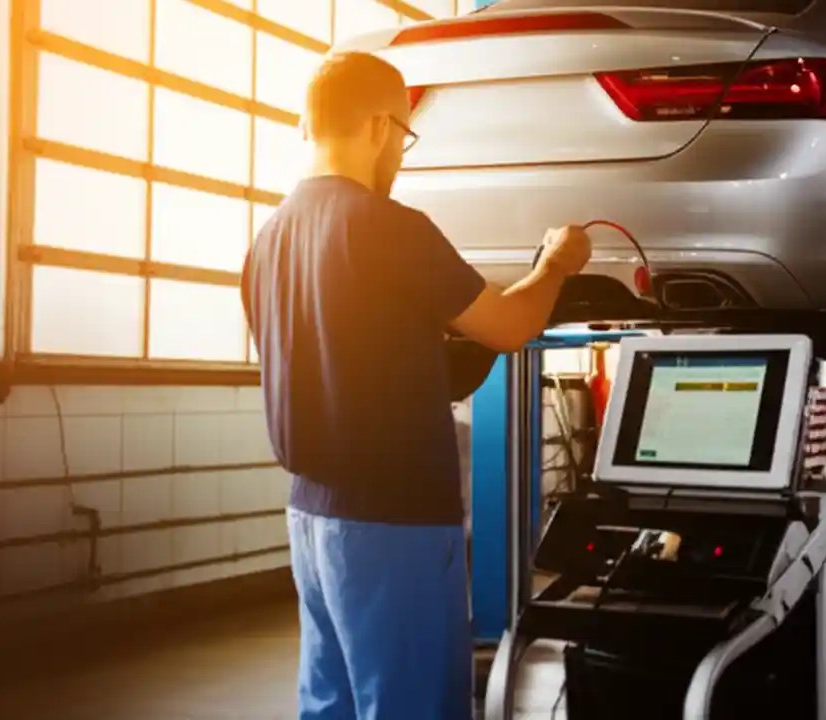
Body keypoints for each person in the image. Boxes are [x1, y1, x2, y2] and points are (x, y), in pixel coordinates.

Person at [240, 52, 592, 719]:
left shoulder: (268, 239)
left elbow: (334, 354)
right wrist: (556, 264)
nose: (399, 156)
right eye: (403, 136)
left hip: (311, 519)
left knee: (333, 701)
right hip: (393, 519)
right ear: (379, 126)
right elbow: (511, 325)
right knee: (412, 705)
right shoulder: (389, 227)